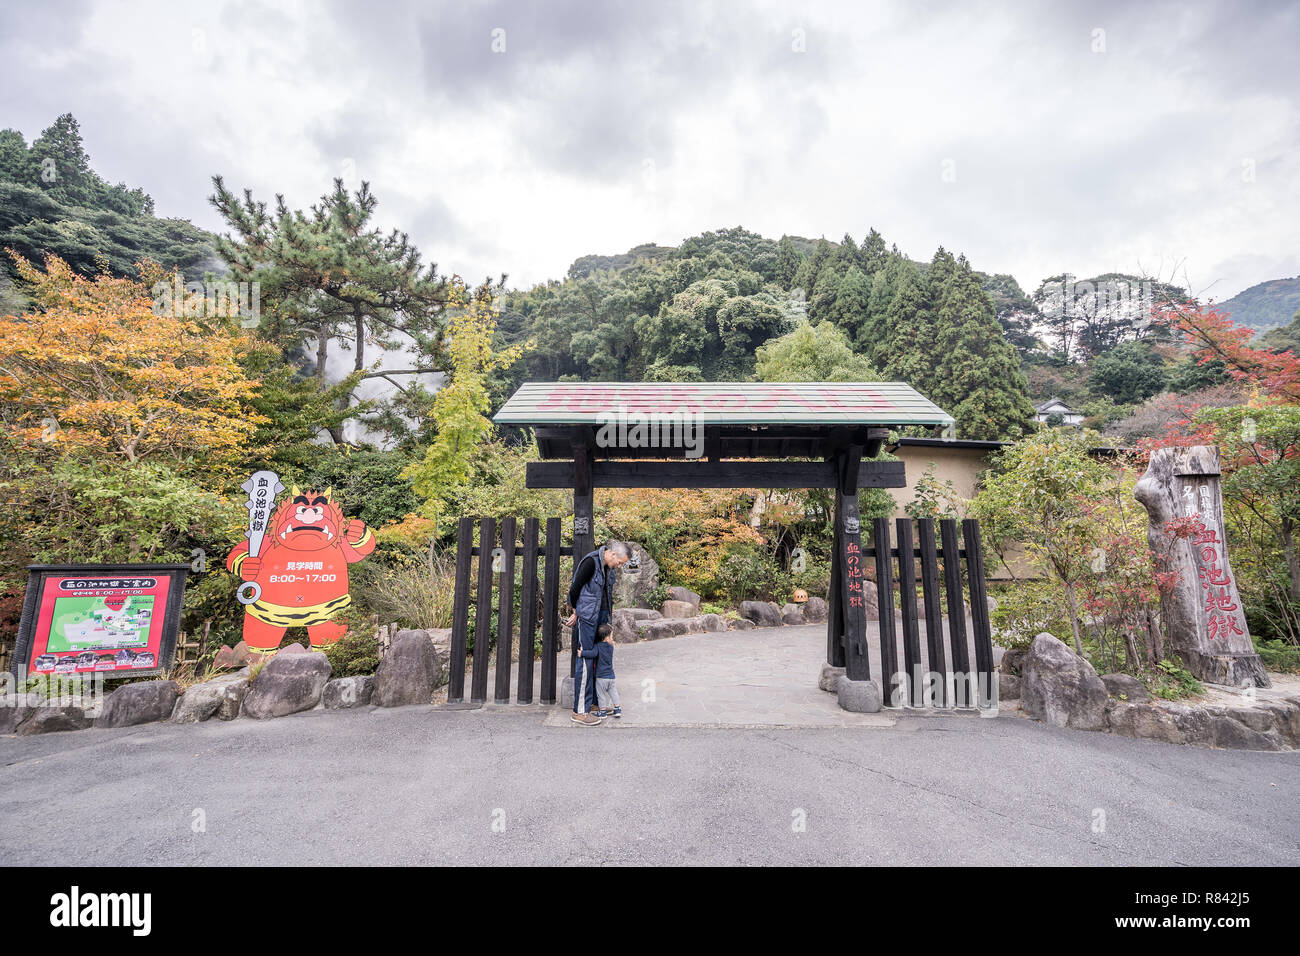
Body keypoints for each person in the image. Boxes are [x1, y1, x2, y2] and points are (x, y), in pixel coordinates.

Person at [564, 540, 631, 726]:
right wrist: (576, 611)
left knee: (597, 660)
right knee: (586, 660)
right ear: (613, 554)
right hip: (587, 618)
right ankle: (579, 711)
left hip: (601, 618)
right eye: (620, 562)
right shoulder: (590, 562)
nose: (620, 566)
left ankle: (593, 703)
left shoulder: (609, 568)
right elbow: (575, 589)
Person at [594, 623, 621, 719]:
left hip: (601, 677)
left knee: (601, 695)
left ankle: (602, 712)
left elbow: (592, 654)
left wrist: (582, 653)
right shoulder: (611, 646)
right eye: (611, 635)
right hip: (611, 676)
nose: (612, 637)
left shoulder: (598, 646)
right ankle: (617, 709)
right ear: (607, 637)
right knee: (614, 693)